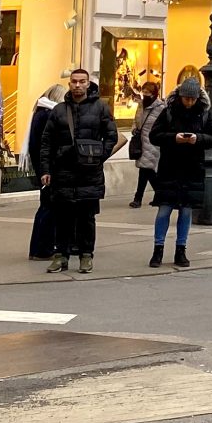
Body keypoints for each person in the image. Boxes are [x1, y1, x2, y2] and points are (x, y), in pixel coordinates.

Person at [34, 68, 116, 274]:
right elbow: (46, 143)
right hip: (63, 172)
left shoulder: (100, 108)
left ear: (88, 84)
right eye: (74, 82)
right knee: (63, 217)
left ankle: (86, 255)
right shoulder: (59, 110)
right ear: (69, 84)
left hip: (89, 173)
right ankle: (61, 255)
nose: (78, 85)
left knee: (87, 217)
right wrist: (45, 169)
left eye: (82, 82)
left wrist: (98, 157)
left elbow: (111, 136)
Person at [147, 78, 212, 268]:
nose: (189, 102)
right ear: (180, 96)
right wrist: (174, 138)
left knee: (186, 211)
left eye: (192, 99)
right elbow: (154, 135)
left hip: (193, 168)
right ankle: (158, 249)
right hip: (170, 168)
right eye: (186, 98)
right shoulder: (168, 112)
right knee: (164, 210)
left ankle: (181, 249)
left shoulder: (203, 114)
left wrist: (198, 138)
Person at [25, 81, 66, 259]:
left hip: (44, 166)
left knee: (47, 206)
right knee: (49, 208)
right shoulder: (49, 115)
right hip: (49, 168)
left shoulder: (40, 113)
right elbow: (47, 145)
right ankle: (42, 248)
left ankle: (41, 248)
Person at [128, 82, 166, 208]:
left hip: (153, 142)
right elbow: (136, 119)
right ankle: (159, 196)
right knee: (146, 170)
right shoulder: (140, 105)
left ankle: (140, 198)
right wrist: (134, 128)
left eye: (148, 92)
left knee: (146, 170)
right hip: (141, 140)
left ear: (154, 93)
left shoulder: (161, 107)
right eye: (143, 92)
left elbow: (163, 124)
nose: (145, 95)